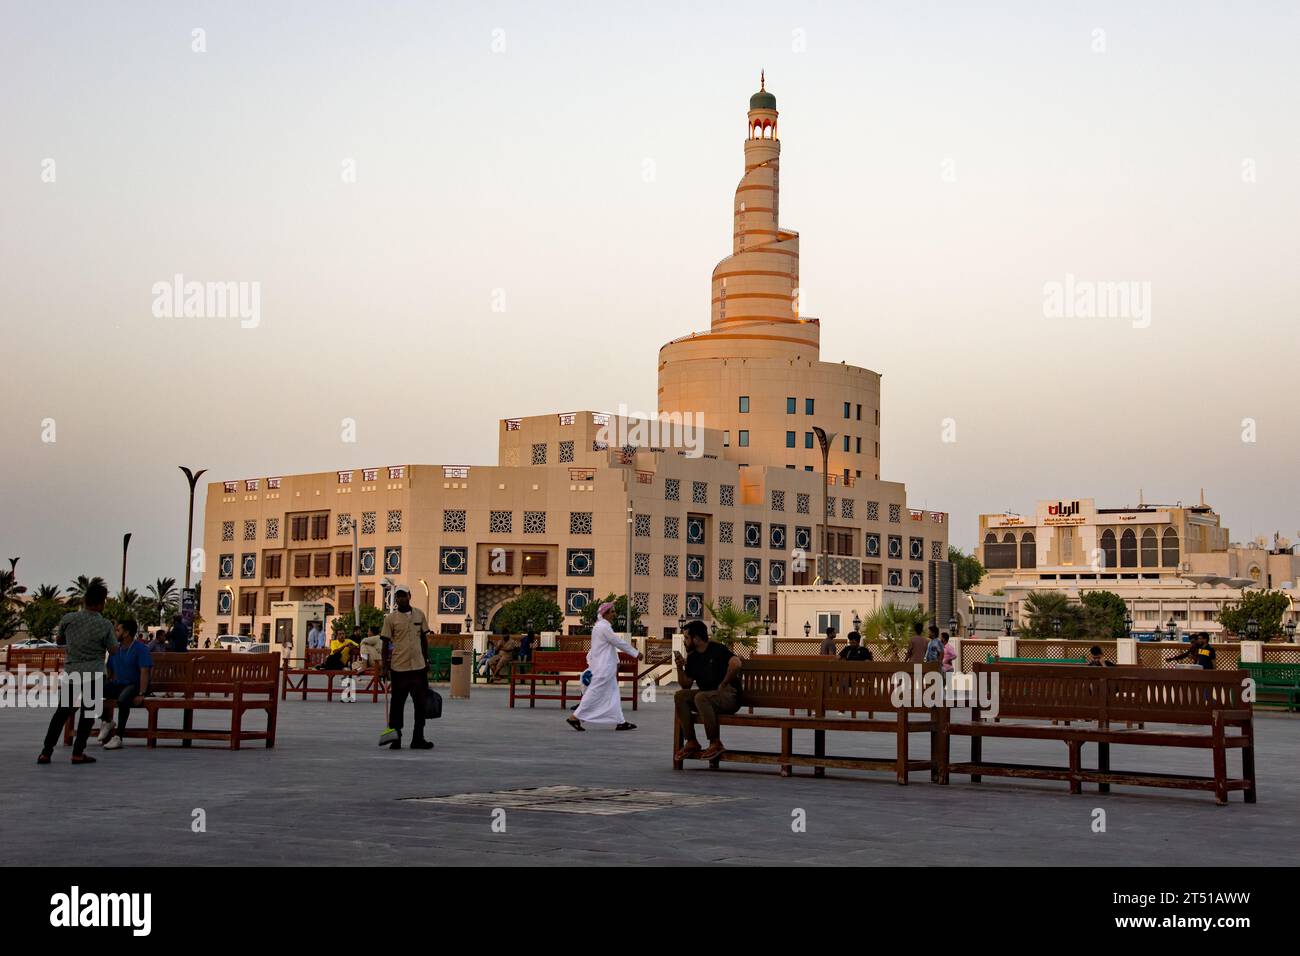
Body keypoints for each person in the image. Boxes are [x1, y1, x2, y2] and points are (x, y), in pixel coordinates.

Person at [39, 581, 117, 765]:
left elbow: (59, 640)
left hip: (73, 671)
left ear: (84, 599)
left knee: (61, 713)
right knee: (88, 713)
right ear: (101, 603)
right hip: (94, 673)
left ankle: (46, 752)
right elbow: (113, 650)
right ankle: (78, 752)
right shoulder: (105, 624)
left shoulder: (69, 619)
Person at [673, 619, 743, 760]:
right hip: (707, 698)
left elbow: (736, 663)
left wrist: (723, 685)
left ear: (697, 638)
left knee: (701, 697)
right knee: (680, 696)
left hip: (729, 697)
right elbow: (686, 685)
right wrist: (680, 668)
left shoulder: (717, 649)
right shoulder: (692, 657)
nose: (684, 641)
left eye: (686, 638)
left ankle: (715, 742)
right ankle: (691, 741)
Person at [566, 602, 641, 731]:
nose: (614, 614)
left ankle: (620, 721)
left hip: (605, 668)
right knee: (594, 693)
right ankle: (575, 717)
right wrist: (635, 653)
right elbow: (618, 642)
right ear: (605, 614)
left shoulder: (601, 626)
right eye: (612, 612)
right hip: (603, 668)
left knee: (614, 694)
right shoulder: (603, 627)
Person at [379, 585, 434, 750]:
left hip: (418, 667)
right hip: (399, 667)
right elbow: (385, 643)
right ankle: (396, 738)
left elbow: (424, 639)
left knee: (420, 704)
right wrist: (384, 666)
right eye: (398, 596)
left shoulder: (419, 614)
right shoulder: (390, 619)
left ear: (410, 596)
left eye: (404, 595)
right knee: (397, 705)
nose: (401, 599)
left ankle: (418, 738)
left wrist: (426, 660)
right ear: (395, 598)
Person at [97, 618, 152, 750]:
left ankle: (118, 737)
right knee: (90, 691)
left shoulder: (140, 648)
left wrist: (142, 693)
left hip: (135, 685)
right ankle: (107, 721)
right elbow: (109, 670)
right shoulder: (116, 649)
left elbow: (145, 671)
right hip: (119, 683)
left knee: (123, 700)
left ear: (126, 633)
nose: (114, 633)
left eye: (117, 630)